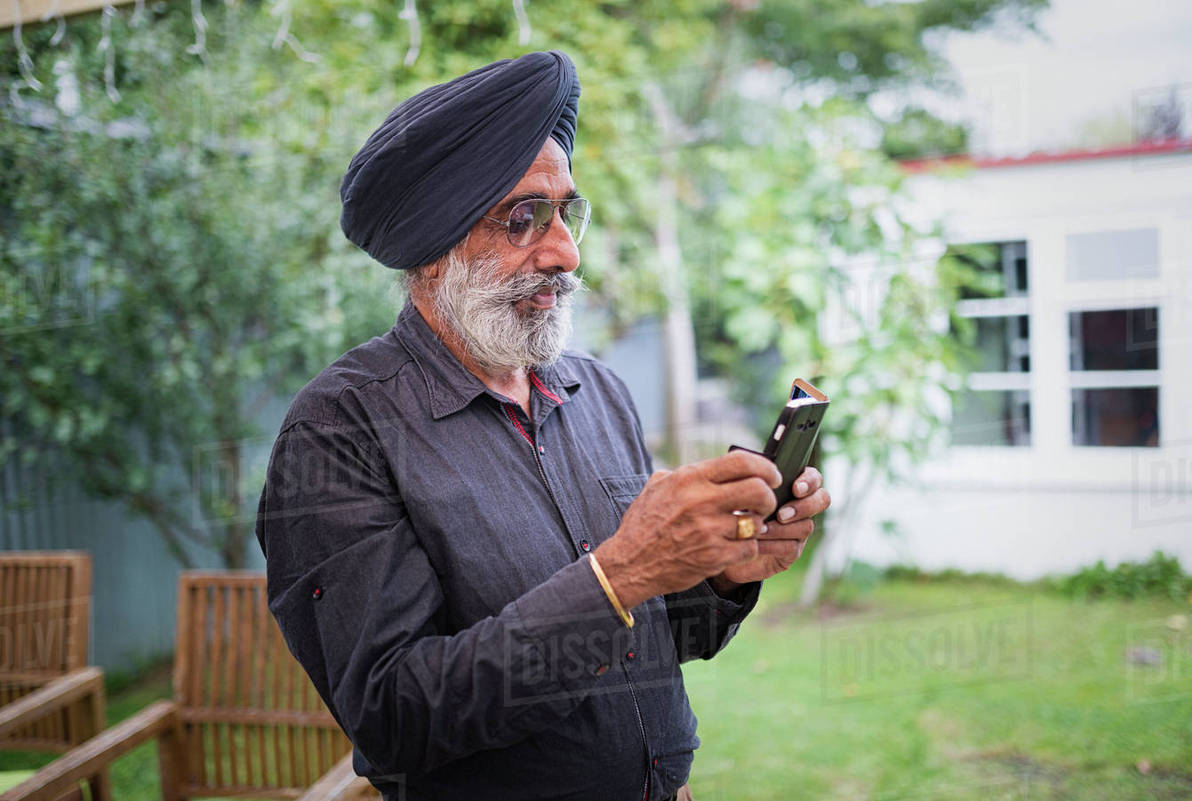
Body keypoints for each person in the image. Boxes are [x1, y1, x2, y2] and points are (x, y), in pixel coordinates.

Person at [255, 50, 831, 801]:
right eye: (523, 218)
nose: (565, 252)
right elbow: (394, 717)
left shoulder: (598, 393)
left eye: (566, 213)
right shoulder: (340, 431)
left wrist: (721, 570)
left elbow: (655, 640)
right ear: (435, 247)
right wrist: (620, 573)